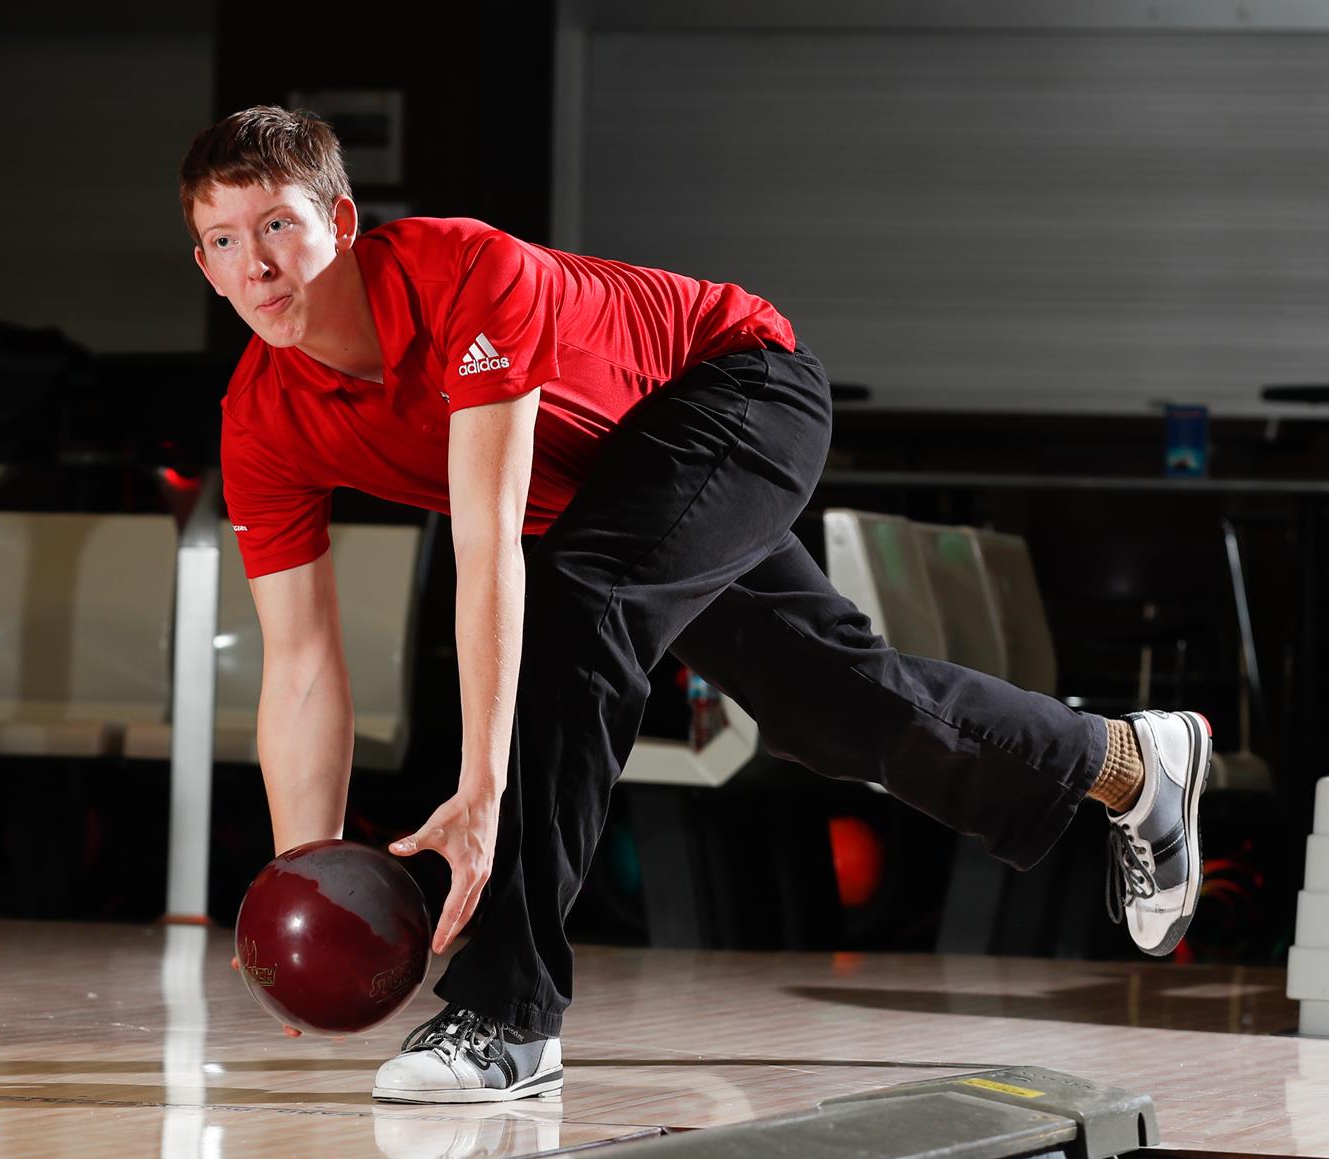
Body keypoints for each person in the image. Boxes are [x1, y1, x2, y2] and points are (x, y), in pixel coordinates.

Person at [180, 106, 1208, 1105]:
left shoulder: (460, 274)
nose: (256, 265)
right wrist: (297, 901)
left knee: (577, 603)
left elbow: (489, 548)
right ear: (204, 266)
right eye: (223, 240)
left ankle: (506, 1014)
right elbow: (303, 665)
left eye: (277, 225)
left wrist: (482, 789)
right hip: (621, 495)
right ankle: (1124, 764)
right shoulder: (261, 420)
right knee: (831, 708)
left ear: (342, 223)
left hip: (735, 387)